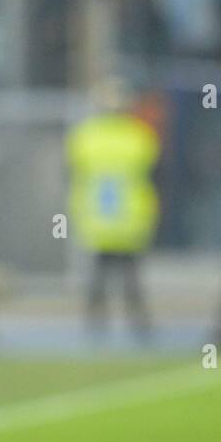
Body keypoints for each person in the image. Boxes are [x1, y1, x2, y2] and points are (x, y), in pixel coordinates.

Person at [66, 78, 161, 342]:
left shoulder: (85, 137)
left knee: (98, 279)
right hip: (131, 220)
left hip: (97, 220)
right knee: (131, 280)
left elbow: (73, 174)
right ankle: (141, 330)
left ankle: (95, 330)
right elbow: (154, 176)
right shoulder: (139, 138)